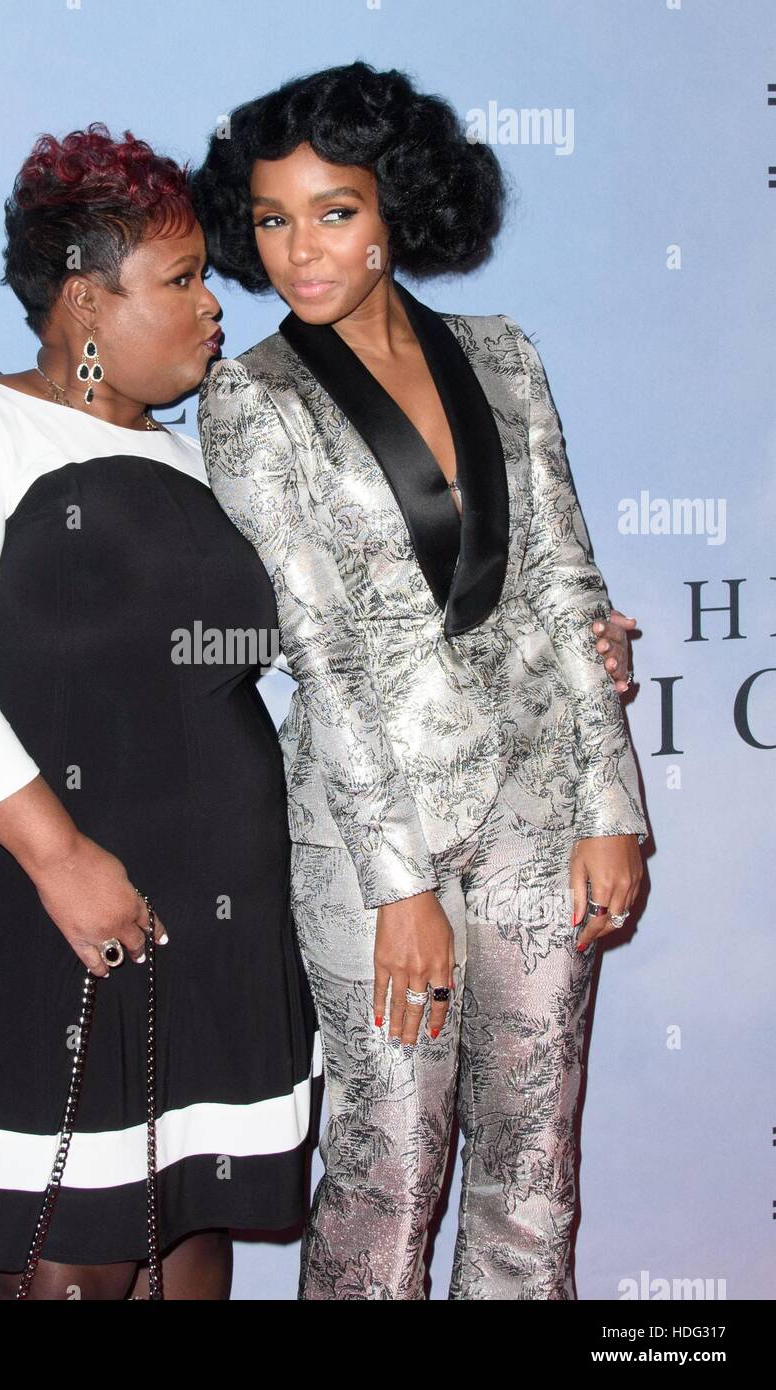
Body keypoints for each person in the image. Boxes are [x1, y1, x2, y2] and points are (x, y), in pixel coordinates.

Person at [192, 62, 650, 1299]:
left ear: (397, 209)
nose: (300, 251)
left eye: (333, 212)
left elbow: (564, 575)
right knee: (387, 1171)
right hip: (369, 836)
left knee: (534, 1167)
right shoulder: (251, 398)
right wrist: (399, 887)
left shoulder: (503, 355)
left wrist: (613, 804)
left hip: (542, 819)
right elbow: (322, 654)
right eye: (274, 219)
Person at [0, 124, 319, 1301]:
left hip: (208, 926)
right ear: (83, 302)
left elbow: (313, 651)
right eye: (182, 280)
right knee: (68, 1266)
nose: (216, 306)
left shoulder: (202, 465)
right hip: (36, 904)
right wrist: (60, 859)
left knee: (187, 1250)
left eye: (210, 276)